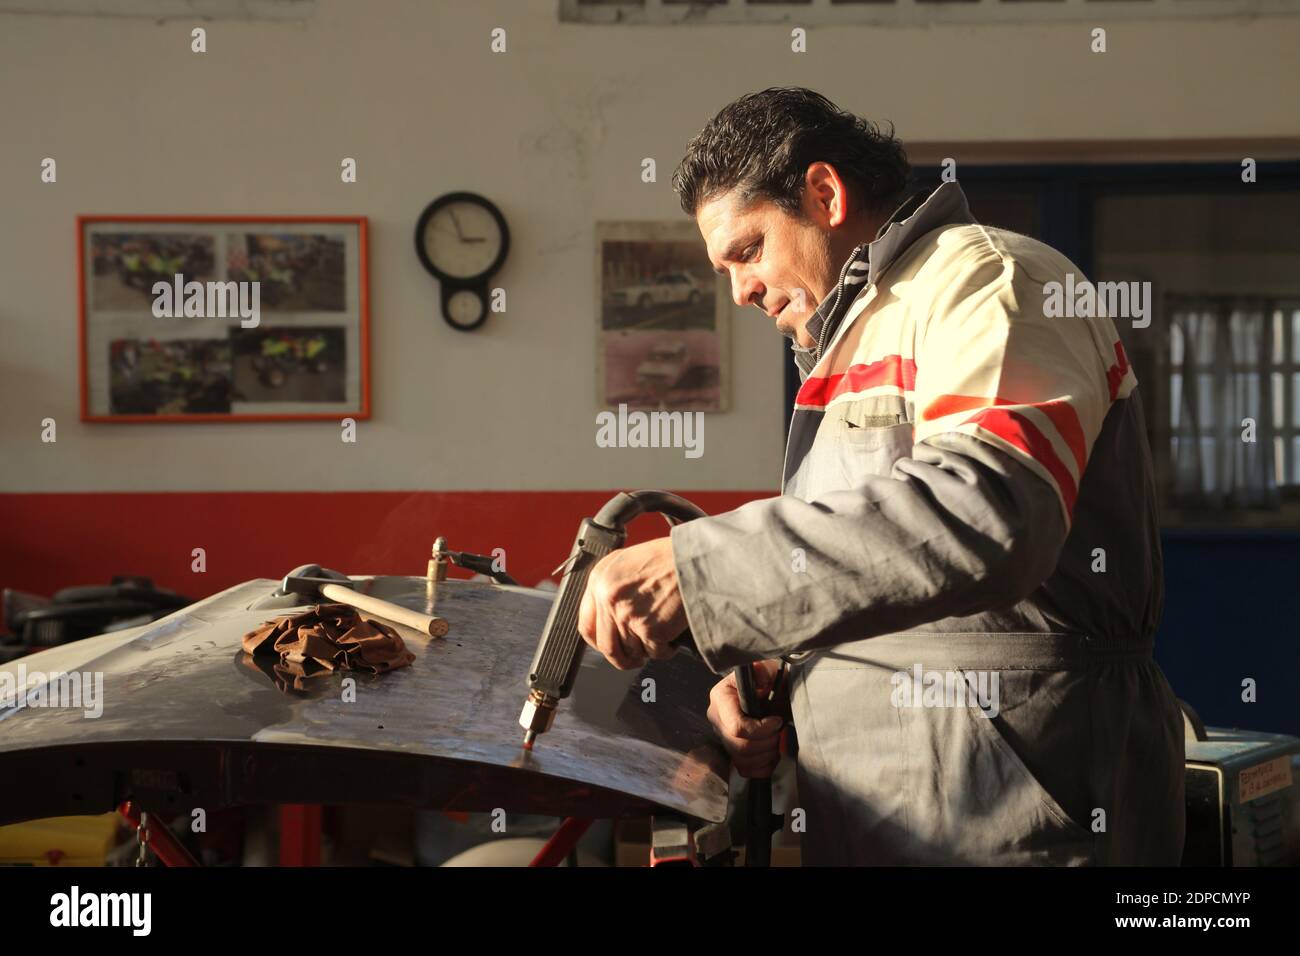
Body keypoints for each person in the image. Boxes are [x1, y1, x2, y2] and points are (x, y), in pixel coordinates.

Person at [576, 87, 1185, 865]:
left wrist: (697, 570)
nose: (739, 290)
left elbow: (992, 512)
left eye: (748, 250)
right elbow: (887, 570)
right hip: (897, 812)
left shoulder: (989, 284)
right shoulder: (853, 338)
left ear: (824, 195)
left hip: (1012, 806)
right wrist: (772, 668)